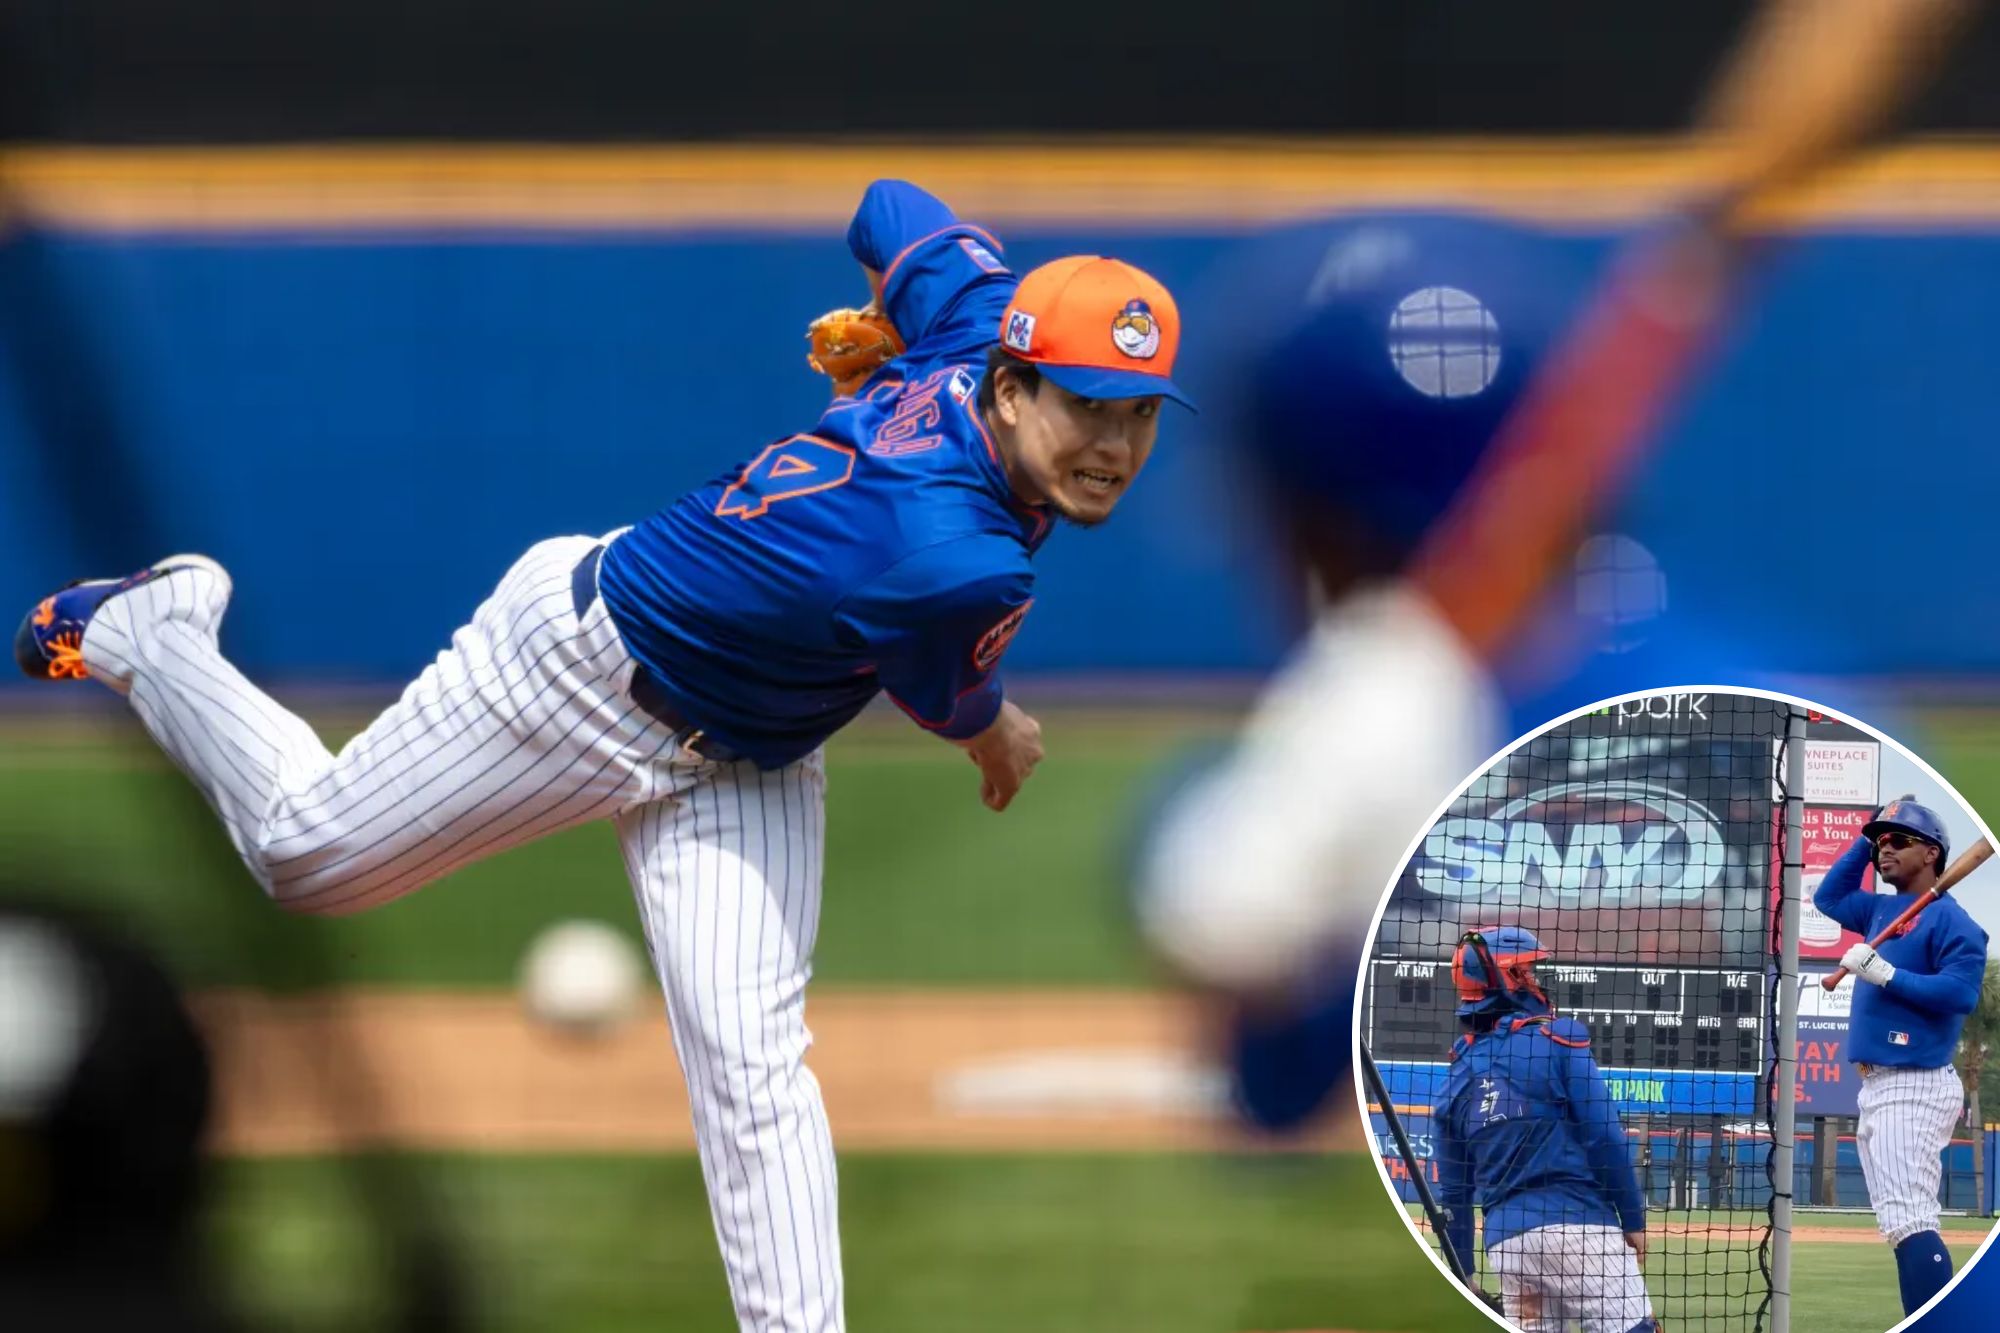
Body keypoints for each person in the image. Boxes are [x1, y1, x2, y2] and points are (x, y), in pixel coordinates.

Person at [12, 177, 1191, 1333]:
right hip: (579, 671)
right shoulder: (951, 549)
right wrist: (995, 730)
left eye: (1137, 410)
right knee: (300, 856)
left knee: (753, 1073)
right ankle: (157, 633)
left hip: (750, 756)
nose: (1113, 442)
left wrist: (903, 316)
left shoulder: (977, 323)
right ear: (1013, 380)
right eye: (1085, 403)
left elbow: (889, 206)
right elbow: (949, 693)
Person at [1812, 797, 1989, 1317]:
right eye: (1879, 842)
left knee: (1910, 1218)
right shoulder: (1880, 909)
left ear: (1931, 853)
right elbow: (1829, 896)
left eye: (1897, 841)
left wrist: (1886, 974)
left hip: (1916, 1080)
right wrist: (1866, 844)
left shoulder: (1953, 922)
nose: (1884, 849)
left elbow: (1960, 994)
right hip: (1881, 1085)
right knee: (1899, 1219)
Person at [1434, 927, 1659, 1333]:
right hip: (1580, 1231)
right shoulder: (1558, 1038)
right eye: (1528, 970)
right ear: (1510, 976)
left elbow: (1454, 1194)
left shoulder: (1456, 1074)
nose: (1536, 979)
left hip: (1508, 1247)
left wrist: (1463, 1271)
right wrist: (1632, 1217)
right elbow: (1604, 1135)